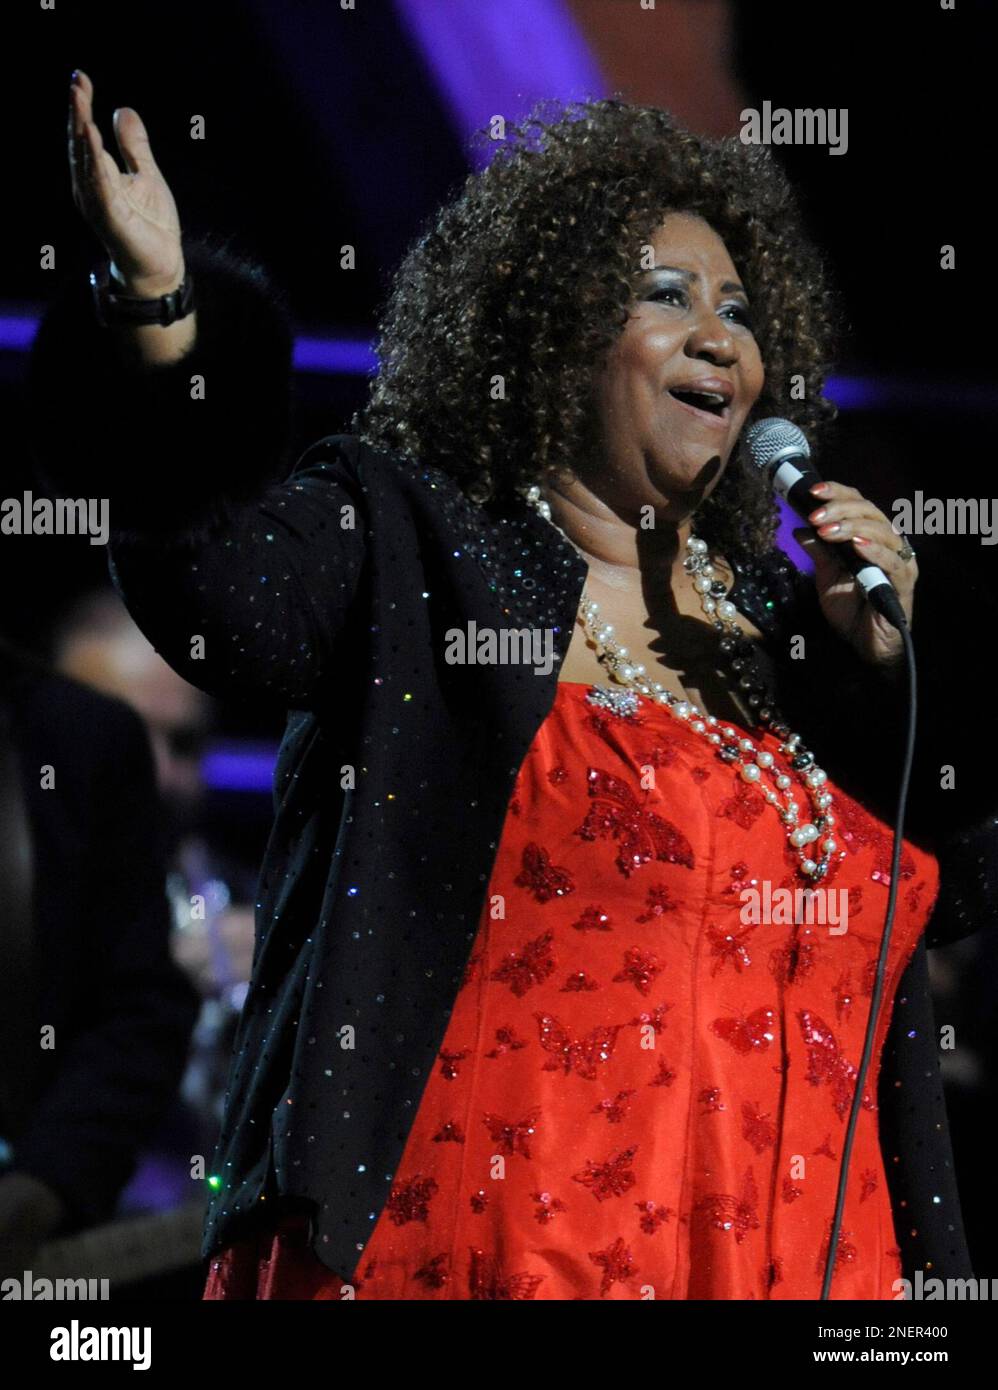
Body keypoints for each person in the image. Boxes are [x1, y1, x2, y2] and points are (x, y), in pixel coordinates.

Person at [25, 71, 997, 1300]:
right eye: (665, 297)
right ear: (552, 334)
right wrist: (159, 310)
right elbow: (217, 593)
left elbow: (952, 886)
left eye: (740, 313)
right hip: (485, 1251)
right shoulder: (417, 554)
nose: (719, 337)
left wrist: (898, 670)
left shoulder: (795, 643)